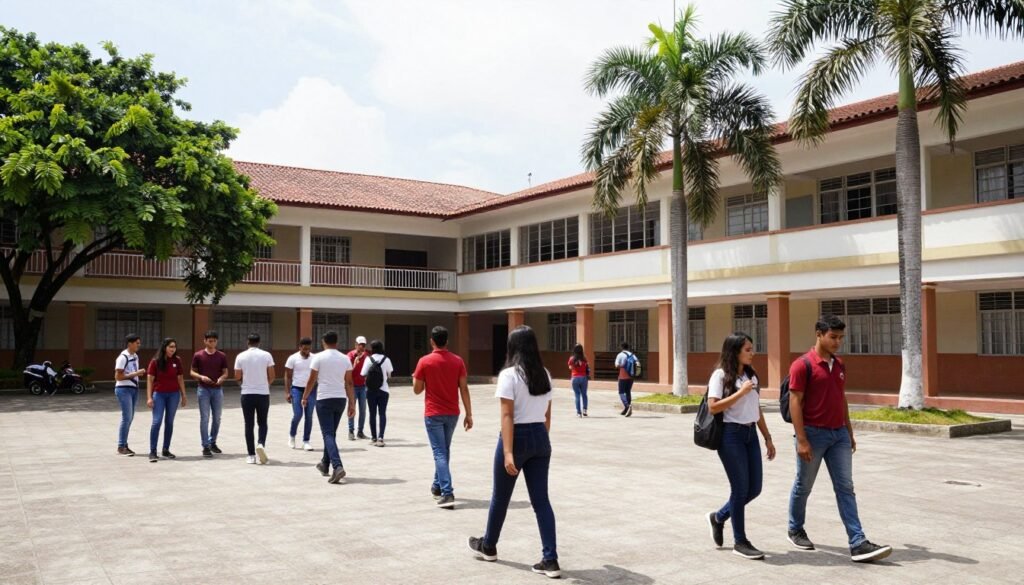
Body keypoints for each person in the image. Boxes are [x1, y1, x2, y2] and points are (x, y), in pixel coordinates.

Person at [787, 315, 892, 563]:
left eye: (841, 338)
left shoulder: (840, 365)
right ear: (819, 334)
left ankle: (857, 542)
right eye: (833, 337)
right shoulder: (802, 365)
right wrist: (801, 439)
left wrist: (849, 431)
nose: (837, 342)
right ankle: (795, 528)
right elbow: (795, 402)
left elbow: (840, 398)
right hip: (813, 434)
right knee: (804, 485)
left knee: (845, 487)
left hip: (839, 436)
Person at [468, 326, 560, 579]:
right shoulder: (545, 374)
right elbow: (547, 415)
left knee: (500, 497)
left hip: (516, 437)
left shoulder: (509, 375)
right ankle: (550, 559)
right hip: (540, 437)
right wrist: (540, 441)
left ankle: (489, 546)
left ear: (513, 347)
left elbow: (507, 415)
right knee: (541, 501)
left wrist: (509, 452)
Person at [705, 332, 776, 560]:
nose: (752, 353)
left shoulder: (751, 376)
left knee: (754, 488)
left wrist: (767, 437)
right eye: (748, 349)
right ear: (734, 351)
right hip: (730, 435)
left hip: (750, 434)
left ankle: (719, 517)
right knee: (740, 488)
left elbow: (756, 408)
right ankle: (740, 541)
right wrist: (740, 392)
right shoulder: (720, 376)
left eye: (752, 349)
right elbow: (713, 407)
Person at [413, 325, 473, 509]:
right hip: (452, 413)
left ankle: (447, 492)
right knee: (444, 451)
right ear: (447, 341)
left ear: (432, 341)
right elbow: (463, 388)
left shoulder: (424, 361)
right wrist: (469, 413)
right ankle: (437, 486)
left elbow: (417, 390)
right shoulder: (458, 361)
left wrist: (414, 378)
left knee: (439, 452)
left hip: (433, 413)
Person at [302, 330, 354, 485]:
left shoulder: (318, 357)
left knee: (328, 434)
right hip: (340, 399)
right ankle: (324, 464)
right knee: (331, 433)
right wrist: (352, 403)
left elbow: (311, 380)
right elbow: (349, 383)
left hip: (324, 399)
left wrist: (304, 397)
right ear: (337, 342)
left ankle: (337, 466)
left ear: (323, 342)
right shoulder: (345, 359)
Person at [234, 333, 276, 465]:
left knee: (249, 424)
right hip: (263, 394)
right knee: (262, 422)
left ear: (248, 342)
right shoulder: (266, 355)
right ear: (259, 342)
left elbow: (237, 376)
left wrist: (244, 384)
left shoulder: (240, 356)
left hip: (247, 394)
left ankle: (251, 455)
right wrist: (265, 385)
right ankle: (261, 443)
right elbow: (272, 375)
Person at [146, 337, 187, 462]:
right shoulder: (155, 361)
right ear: (164, 347)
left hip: (173, 395)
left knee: (169, 422)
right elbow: (150, 380)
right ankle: (153, 451)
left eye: (174, 347)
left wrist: (183, 395)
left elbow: (180, 378)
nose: (173, 349)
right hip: (159, 395)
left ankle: (166, 449)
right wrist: (149, 397)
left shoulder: (177, 360)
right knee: (157, 421)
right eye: (170, 347)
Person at [190, 330, 228, 458]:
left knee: (217, 418)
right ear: (205, 341)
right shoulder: (198, 355)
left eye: (214, 341)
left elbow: (225, 372)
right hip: (203, 389)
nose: (212, 343)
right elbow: (192, 372)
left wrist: (222, 378)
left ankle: (213, 442)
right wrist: (201, 377)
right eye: (210, 340)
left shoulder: (221, 356)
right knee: (205, 418)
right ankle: (205, 445)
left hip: (217, 389)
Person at [114, 334, 145, 456]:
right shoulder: (123, 357)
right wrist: (135, 374)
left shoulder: (135, 356)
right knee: (126, 418)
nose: (139, 345)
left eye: (139, 343)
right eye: (137, 343)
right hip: (123, 389)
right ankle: (121, 446)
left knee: (130, 418)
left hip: (133, 389)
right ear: (129, 344)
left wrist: (136, 374)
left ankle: (124, 444)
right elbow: (118, 376)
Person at [285, 337, 316, 451]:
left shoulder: (314, 358)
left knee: (309, 415)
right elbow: (288, 376)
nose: (306, 351)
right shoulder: (292, 358)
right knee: (298, 414)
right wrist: (288, 392)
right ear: (300, 347)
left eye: (308, 349)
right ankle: (292, 436)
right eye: (304, 349)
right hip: (297, 389)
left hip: (311, 390)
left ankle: (306, 441)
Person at [361, 339, 394, 447]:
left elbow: (363, 373)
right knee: (382, 413)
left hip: (370, 390)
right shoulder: (386, 359)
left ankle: (373, 437)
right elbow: (389, 374)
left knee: (372, 414)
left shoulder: (368, 359)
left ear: (372, 348)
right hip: (384, 390)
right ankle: (381, 437)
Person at [347, 335, 370, 441]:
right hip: (352, 387)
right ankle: (351, 431)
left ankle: (360, 431)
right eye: (360, 345)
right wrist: (355, 363)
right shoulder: (350, 356)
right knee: (352, 408)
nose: (362, 347)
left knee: (363, 410)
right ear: (355, 345)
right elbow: (348, 373)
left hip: (363, 386)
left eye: (364, 345)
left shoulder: (366, 356)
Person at [613, 342, 636, 417]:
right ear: (628, 347)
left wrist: (622, 365)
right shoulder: (632, 355)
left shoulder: (620, 355)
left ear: (621, 347)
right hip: (631, 376)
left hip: (623, 376)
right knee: (628, 391)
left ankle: (627, 406)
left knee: (621, 392)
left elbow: (616, 365)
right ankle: (626, 409)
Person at [567, 344, 589, 418]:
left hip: (575, 378)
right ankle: (585, 410)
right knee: (584, 394)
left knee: (577, 395)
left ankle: (579, 413)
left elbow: (570, 367)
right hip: (583, 378)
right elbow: (586, 367)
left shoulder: (572, 358)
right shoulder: (584, 359)